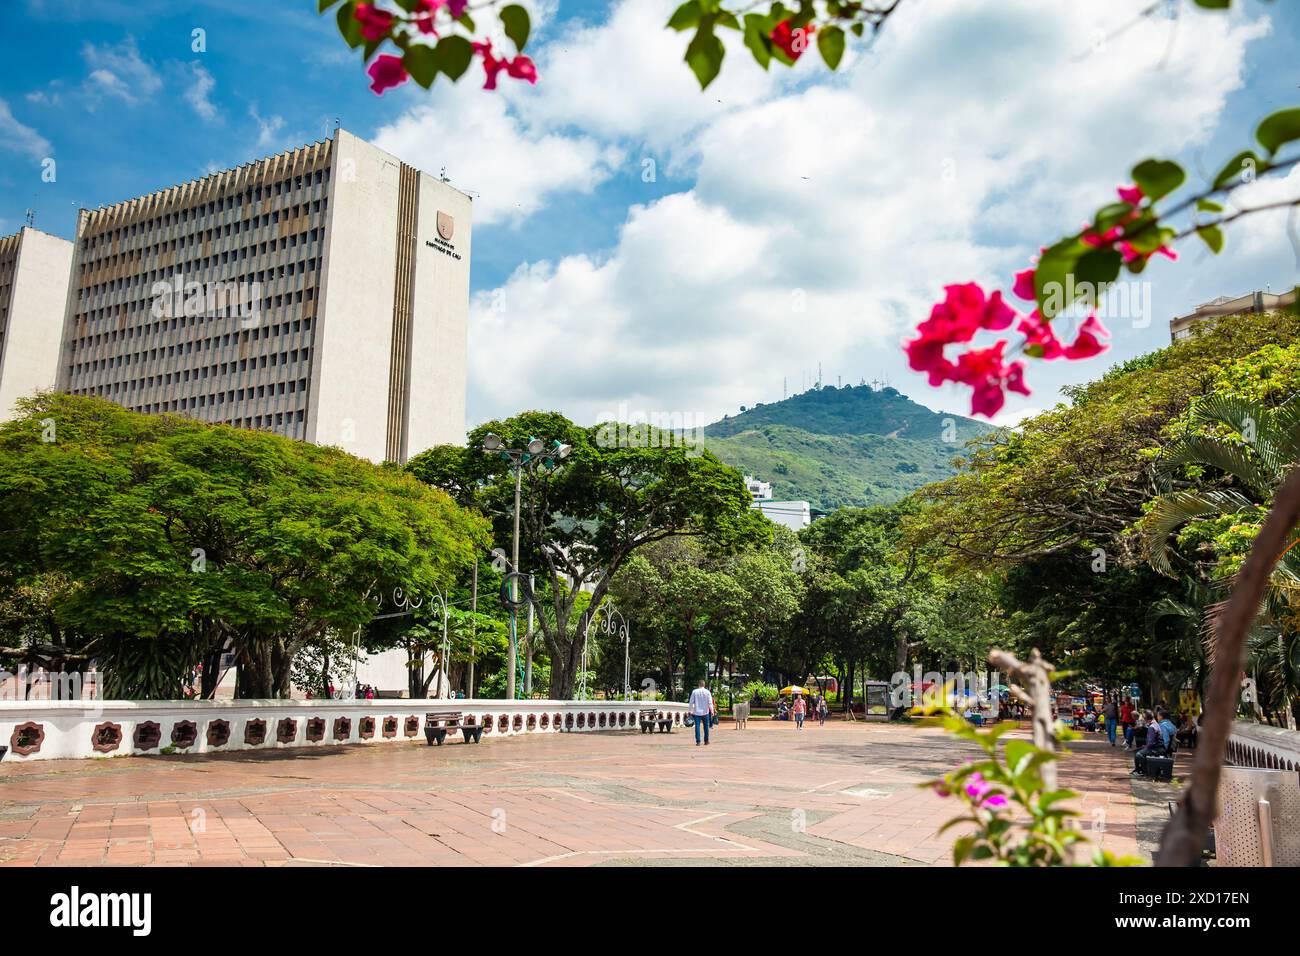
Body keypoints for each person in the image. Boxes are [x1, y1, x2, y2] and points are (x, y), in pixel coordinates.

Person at [1130, 709, 1165, 776]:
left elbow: (1151, 742)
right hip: (1157, 746)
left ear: (1146, 719)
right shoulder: (1154, 723)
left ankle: (1145, 771)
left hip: (1157, 748)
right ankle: (1138, 770)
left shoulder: (1152, 727)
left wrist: (1146, 746)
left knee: (1139, 754)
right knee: (1137, 751)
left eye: (1144, 718)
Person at [688, 679, 716, 746]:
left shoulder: (694, 692)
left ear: (699, 685)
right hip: (705, 712)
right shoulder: (707, 692)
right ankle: (706, 741)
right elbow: (710, 703)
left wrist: (690, 711)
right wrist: (712, 711)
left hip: (697, 712)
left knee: (697, 727)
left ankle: (698, 741)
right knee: (706, 727)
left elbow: (691, 702)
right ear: (704, 685)